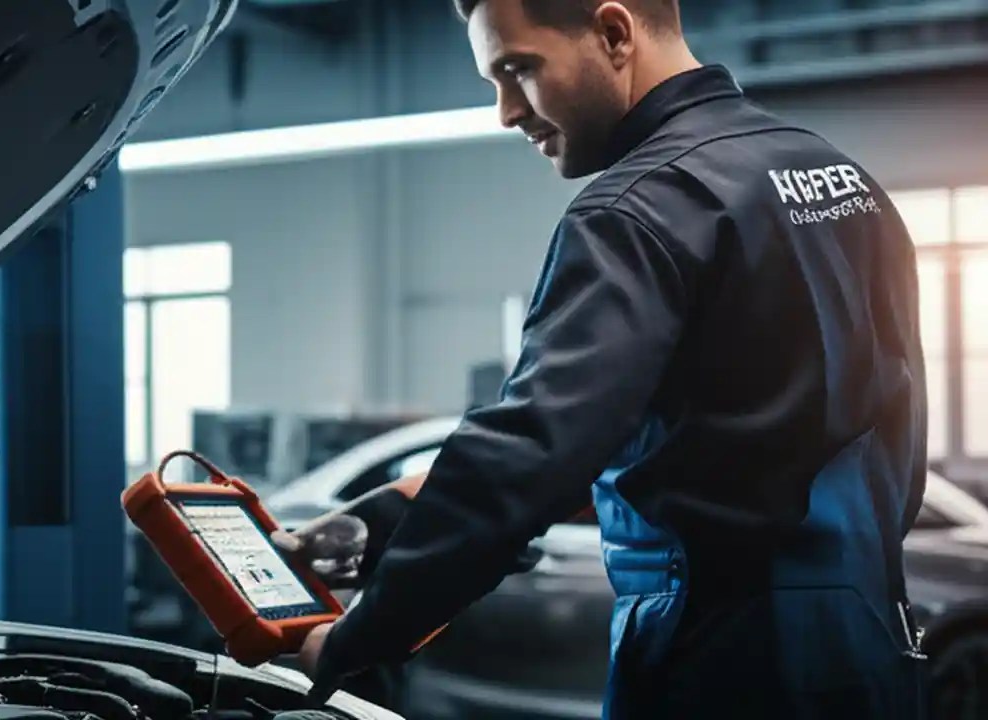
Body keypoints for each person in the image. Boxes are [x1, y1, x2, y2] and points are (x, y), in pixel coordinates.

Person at [287, 0, 930, 717]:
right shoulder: (841, 178)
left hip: (722, 660)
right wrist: (389, 518)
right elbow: (685, 438)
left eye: (518, 69)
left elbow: (530, 453)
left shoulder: (635, 210)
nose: (505, 111)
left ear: (615, 33)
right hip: (871, 641)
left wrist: (353, 640)